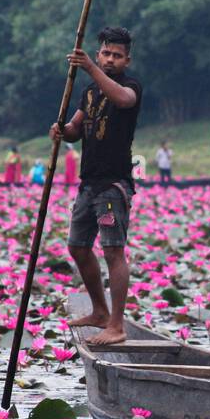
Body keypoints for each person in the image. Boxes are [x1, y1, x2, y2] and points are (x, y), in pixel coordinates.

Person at [48, 25, 143, 346]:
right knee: (77, 246)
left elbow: (123, 100)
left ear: (127, 60)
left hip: (113, 185)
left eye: (117, 56)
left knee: (113, 252)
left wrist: (89, 66)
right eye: (105, 54)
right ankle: (99, 311)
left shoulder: (130, 86)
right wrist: (61, 130)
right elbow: (76, 128)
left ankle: (116, 325)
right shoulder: (89, 91)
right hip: (88, 182)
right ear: (100, 53)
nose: (110, 60)